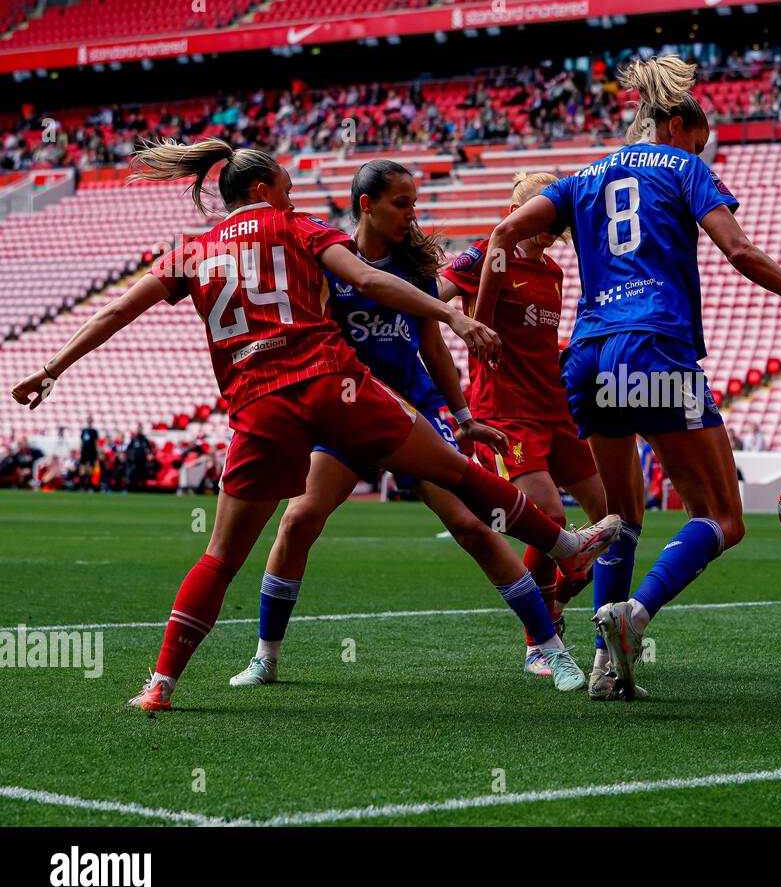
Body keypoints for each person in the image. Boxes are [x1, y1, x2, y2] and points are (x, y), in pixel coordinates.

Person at [9, 138, 620, 711]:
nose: (294, 197)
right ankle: (560, 549)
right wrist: (454, 317)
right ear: (265, 191)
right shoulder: (305, 233)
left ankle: (161, 682)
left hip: (276, 403)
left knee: (229, 553)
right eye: (286, 187)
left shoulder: (194, 249)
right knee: (404, 492)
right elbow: (367, 282)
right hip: (340, 393)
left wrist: (51, 368)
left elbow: (119, 307)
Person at [476, 55, 781, 699]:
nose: (699, 149)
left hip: (589, 356)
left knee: (620, 517)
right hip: (652, 346)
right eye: (698, 139)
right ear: (679, 124)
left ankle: (605, 663)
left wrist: (481, 322)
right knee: (723, 517)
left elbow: (502, 233)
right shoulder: (684, 167)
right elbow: (737, 251)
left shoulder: (581, 179)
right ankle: (635, 614)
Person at [227, 159, 598, 693]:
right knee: (299, 520)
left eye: (415, 203)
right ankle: (266, 656)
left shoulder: (417, 269)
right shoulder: (326, 260)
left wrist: (464, 417)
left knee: (473, 527)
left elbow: (429, 346)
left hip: (411, 416)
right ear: (366, 205)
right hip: (347, 412)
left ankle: (549, 648)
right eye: (402, 204)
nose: (412, 214)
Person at [439, 171, 609, 680]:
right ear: (516, 209)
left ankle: (553, 606)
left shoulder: (554, 271)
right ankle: (539, 639)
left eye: (553, 211)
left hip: (556, 407)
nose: (546, 221)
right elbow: (432, 297)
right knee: (551, 514)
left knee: (611, 522)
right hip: (504, 410)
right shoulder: (481, 256)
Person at [77, 416, 98, 491]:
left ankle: (89, 486)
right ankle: (82, 486)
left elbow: (95, 443)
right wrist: (81, 451)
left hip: (91, 452)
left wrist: (96, 453)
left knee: (90, 469)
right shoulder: (84, 431)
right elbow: (82, 442)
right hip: (84, 452)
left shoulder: (94, 431)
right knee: (83, 468)